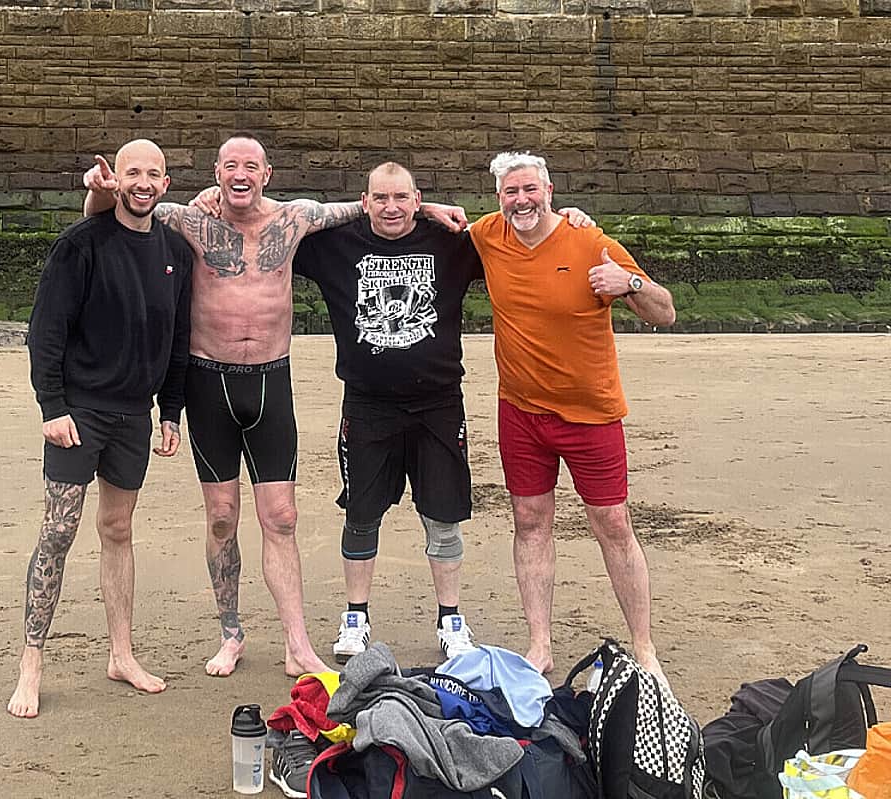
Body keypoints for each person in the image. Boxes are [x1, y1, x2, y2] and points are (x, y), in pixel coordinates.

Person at [83, 134, 466, 678]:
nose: (240, 174)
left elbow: (369, 207)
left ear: (266, 174)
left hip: (270, 380)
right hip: (209, 380)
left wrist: (427, 208)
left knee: (282, 518)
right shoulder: (189, 220)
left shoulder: (295, 218)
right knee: (222, 517)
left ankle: (296, 642)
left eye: (251, 166)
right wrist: (97, 189)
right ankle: (231, 634)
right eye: (230, 165)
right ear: (216, 173)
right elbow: (116, 211)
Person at [294, 162, 594, 664]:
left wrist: (571, 219)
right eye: (380, 198)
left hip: (438, 404)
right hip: (367, 405)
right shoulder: (335, 245)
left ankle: (450, 619)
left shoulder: (453, 242)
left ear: (418, 200)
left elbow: (523, 236)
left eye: (402, 198)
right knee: (362, 514)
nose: (391, 208)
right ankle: (355, 616)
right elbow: (273, 231)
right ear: (364, 202)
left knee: (443, 514)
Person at [467, 151, 677, 679]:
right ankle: (539, 644)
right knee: (530, 521)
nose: (521, 201)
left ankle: (644, 647)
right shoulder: (488, 235)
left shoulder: (589, 242)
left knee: (613, 523)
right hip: (521, 412)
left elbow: (665, 311)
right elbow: (423, 219)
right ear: (498, 198)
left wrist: (628, 284)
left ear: (550, 191)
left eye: (530, 190)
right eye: (511, 192)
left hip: (591, 414)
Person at [7, 139, 193, 718]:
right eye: (133, 172)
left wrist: (170, 410)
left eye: (153, 174)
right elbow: (46, 330)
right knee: (58, 530)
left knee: (118, 528)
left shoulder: (174, 252)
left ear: (165, 185)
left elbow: (178, 338)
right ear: (117, 180)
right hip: (79, 411)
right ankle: (31, 663)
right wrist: (51, 406)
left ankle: (122, 654)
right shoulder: (81, 243)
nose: (143, 183)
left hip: (134, 415)